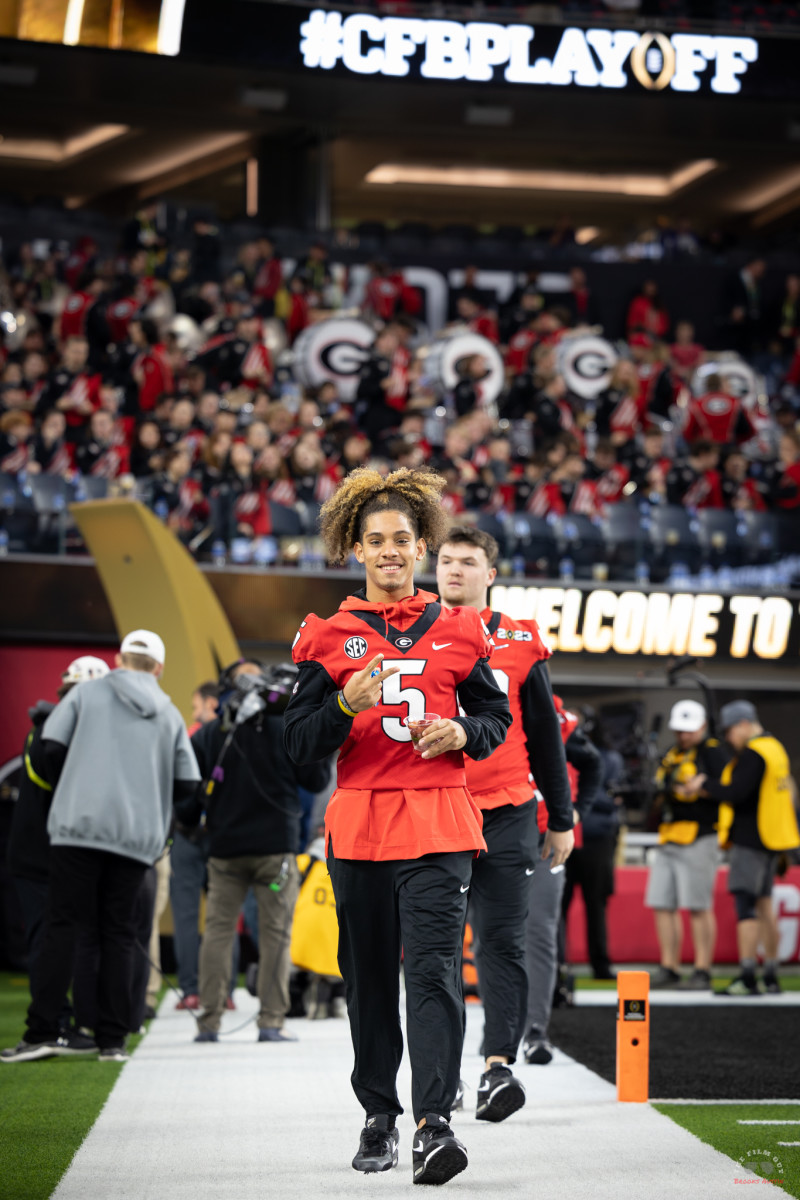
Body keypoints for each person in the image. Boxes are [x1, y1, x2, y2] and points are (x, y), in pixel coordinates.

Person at [284, 467, 511, 1186]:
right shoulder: (328, 635)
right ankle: (378, 1114)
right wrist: (343, 705)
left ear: (421, 547)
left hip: (441, 820)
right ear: (355, 548)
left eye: (402, 539)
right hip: (361, 822)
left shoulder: (460, 628)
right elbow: (295, 747)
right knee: (372, 980)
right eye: (375, 539)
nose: (389, 550)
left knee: (437, 975)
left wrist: (462, 731)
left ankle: (432, 1122)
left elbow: (497, 721)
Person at [2, 630, 199, 1064]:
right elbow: (188, 783)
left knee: (61, 929)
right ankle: (112, 1041)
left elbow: (49, 749)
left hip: (78, 830)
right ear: (159, 669)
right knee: (119, 935)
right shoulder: (167, 713)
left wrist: (78, 788)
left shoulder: (86, 695)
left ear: (118, 658)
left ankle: (42, 1032)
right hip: (134, 840)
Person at [435, 526, 573, 1111]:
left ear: (490, 574)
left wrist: (560, 817)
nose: (454, 570)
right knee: (435, 947)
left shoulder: (519, 638)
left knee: (502, 941)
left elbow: (545, 733)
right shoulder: (411, 631)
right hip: (435, 808)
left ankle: (497, 1066)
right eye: (446, 560)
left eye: (468, 562)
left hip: (509, 808)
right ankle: (443, 1072)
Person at [175, 660, 328, 1043]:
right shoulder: (283, 726)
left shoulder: (210, 733)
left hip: (225, 851)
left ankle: (208, 1022)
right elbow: (316, 777)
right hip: (276, 852)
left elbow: (188, 796)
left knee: (218, 932)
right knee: (276, 933)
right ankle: (271, 1022)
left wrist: (191, 822)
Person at [6, 656, 110, 1031]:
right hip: (38, 858)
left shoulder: (58, 728)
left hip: (52, 856)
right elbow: (63, 792)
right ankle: (54, 1023)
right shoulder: (48, 732)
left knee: (59, 937)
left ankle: (67, 1019)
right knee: (47, 939)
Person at [683, 701, 800, 996]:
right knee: (764, 905)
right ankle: (771, 974)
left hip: (752, 837)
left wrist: (703, 784)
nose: (730, 738)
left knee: (746, 905)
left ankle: (748, 974)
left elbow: (736, 792)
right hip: (773, 837)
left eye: (731, 730)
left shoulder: (754, 753)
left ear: (744, 724)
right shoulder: (775, 748)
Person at [523, 696, 601, 1066]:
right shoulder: (474, 697)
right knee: (487, 937)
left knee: (539, 930)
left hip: (540, 837)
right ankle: (498, 1027)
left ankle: (536, 1028)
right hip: (483, 833)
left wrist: (571, 816)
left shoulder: (552, 716)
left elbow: (592, 764)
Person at [644, 700, 728, 990]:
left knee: (697, 906)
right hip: (669, 835)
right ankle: (670, 966)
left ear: (703, 727)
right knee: (662, 904)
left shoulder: (714, 752)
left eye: (689, 730)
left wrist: (702, 787)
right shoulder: (672, 754)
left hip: (700, 836)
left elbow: (731, 789)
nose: (684, 736)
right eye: (680, 730)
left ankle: (703, 969)